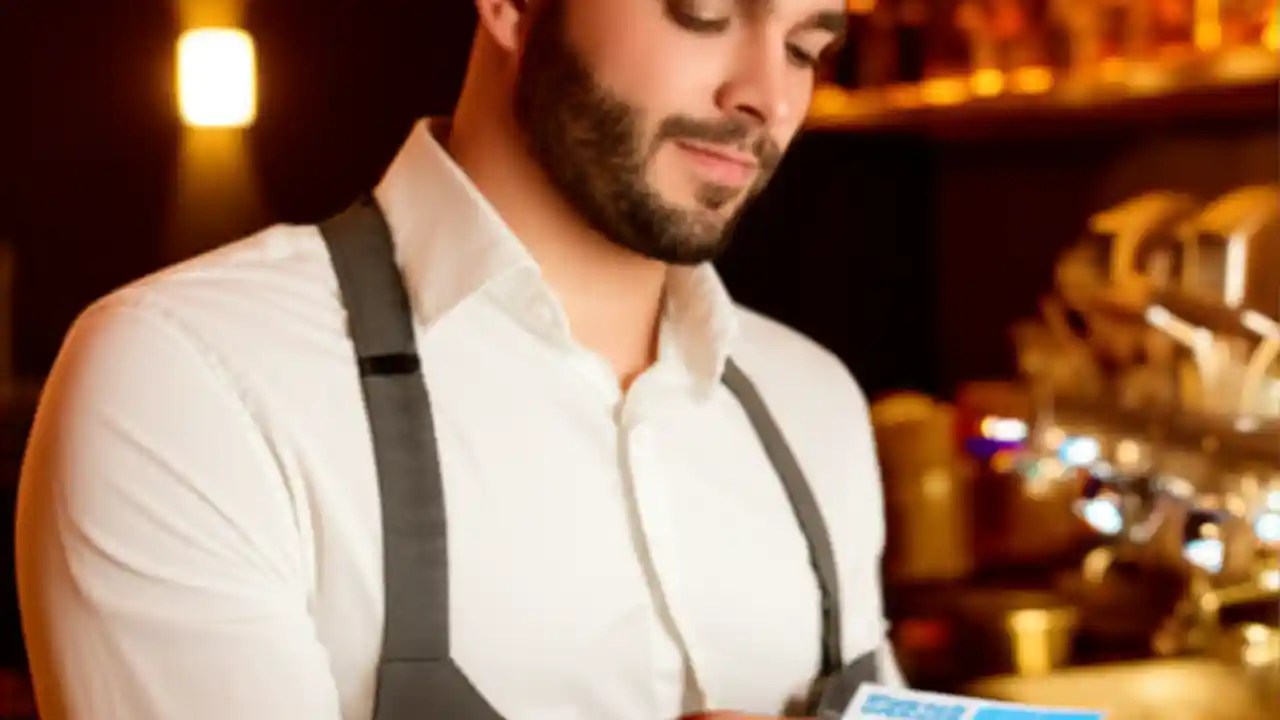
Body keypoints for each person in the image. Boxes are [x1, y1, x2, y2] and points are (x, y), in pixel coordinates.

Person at [16, 0, 903, 718]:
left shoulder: (811, 401)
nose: (769, 98)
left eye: (804, 46)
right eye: (705, 15)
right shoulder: (191, 378)